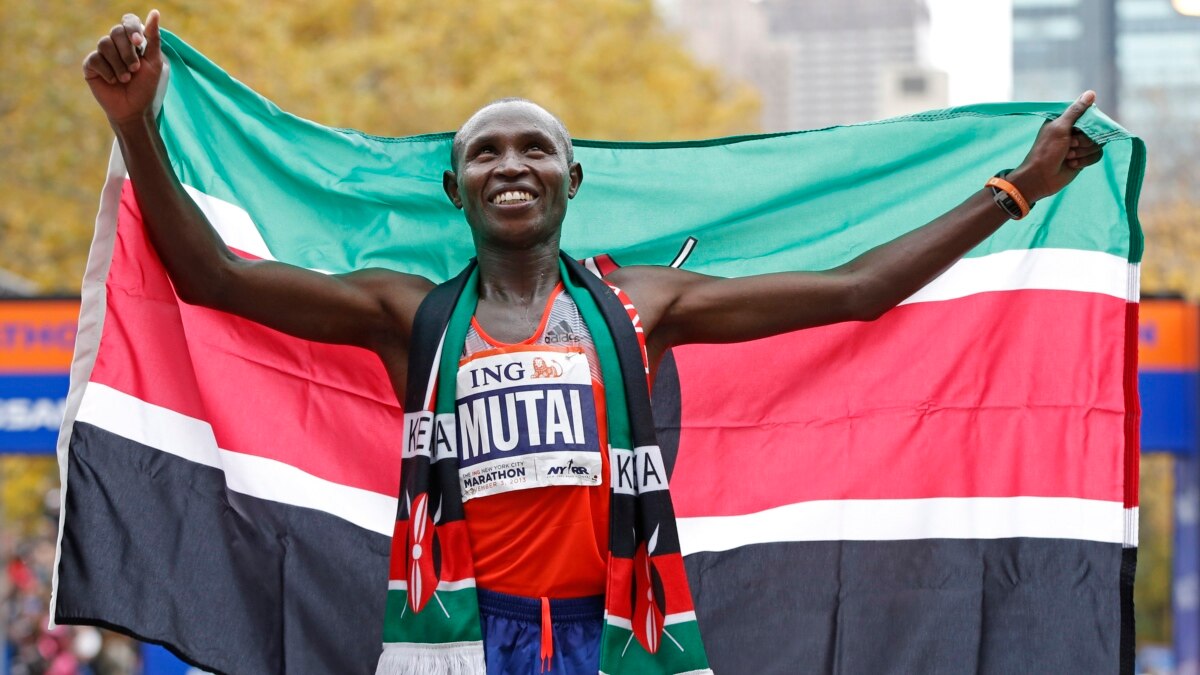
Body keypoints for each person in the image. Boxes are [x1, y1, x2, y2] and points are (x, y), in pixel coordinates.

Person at [82, 10, 1104, 675]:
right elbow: (212, 278)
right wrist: (136, 125)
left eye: (537, 149)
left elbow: (858, 290)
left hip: (619, 634)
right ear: (457, 187)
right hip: (463, 641)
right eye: (487, 151)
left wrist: (1016, 190)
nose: (512, 164)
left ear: (574, 181)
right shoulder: (411, 316)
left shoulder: (641, 306)